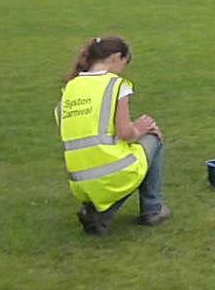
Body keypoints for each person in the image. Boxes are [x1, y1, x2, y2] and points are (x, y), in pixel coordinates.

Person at [57, 36, 168, 236]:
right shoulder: (116, 85)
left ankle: (94, 209)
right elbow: (126, 134)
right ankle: (152, 209)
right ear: (116, 57)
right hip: (109, 172)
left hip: (78, 179)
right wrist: (143, 128)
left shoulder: (70, 88)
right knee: (152, 140)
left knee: (117, 164)